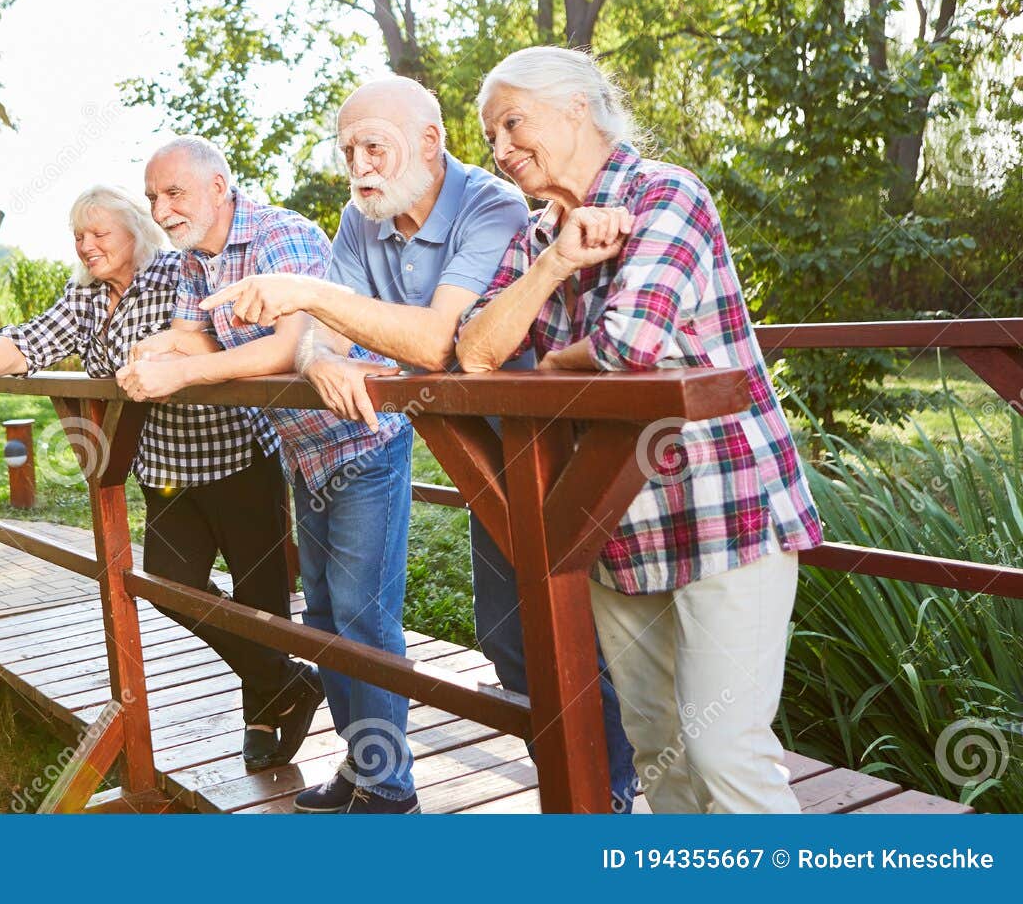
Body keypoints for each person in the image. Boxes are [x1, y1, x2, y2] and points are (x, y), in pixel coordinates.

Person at [199, 75, 639, 811]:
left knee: (556, 633)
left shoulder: (490, 203)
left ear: (430, 145)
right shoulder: (361, 216)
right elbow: (318, 340)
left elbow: (442, 344)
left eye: (375, 145)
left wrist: (307, 296)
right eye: (347, 151)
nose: (358, 165)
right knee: (504, 642)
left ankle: (607, 792)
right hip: (479, 452)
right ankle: (406, 772)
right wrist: (321, 356)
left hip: (548, 446)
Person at [456, 46, 824, 813]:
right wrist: (555, 263)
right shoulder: (536, 239)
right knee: (659, 749)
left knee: (726, 753)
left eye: (513, 122)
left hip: (726, 507)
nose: (499, 149)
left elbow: (630, 347)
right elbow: (474, 349)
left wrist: (554, 363)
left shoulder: (667, 194)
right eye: (490, 135)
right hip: (616, 524)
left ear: (575, 109)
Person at [0, 185, 322, 773]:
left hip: (235, 457)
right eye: (79, 236)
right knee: (170, 582)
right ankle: (287, 682)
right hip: (163, 469)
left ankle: (260, 713)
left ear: (136, 231)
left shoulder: (175, 276)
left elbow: (210, 342)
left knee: (260, 599)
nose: (86, 245)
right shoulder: (85, 298)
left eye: (99, 233)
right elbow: (28, 341)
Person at [117, 137, 420, 814]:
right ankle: (359, 765)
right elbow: (201, 336)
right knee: (324, 617)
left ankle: (391, 786)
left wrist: (182, 369)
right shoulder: (197, 261)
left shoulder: (280, 235)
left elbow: (290, 345)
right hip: (304, 455)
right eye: (152, 198)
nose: (161, 209)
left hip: (361, 443)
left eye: (174, 194)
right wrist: (164, 345)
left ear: (220, 186)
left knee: (364, 619)